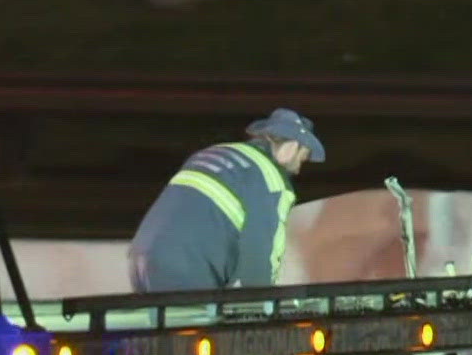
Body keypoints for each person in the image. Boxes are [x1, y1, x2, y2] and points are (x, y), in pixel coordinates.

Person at [127, 108, 325, 293]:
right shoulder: (271, 179)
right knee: (195, 327)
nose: (299, 167)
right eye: (302, 156)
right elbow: (262, 251)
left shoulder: (214, 153)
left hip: (141, 258)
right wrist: (261, 304)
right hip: (187, 267)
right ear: (290, 147)